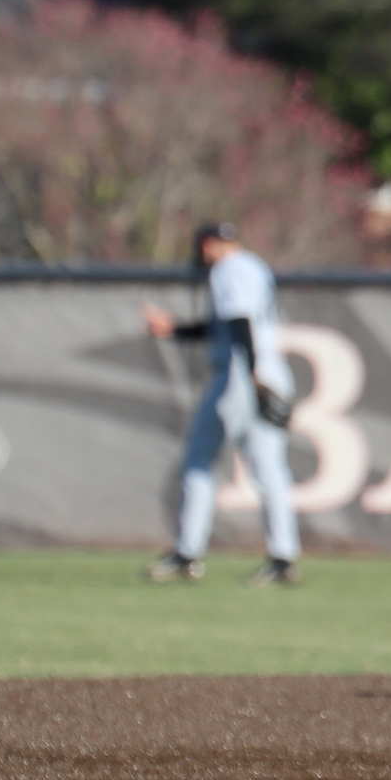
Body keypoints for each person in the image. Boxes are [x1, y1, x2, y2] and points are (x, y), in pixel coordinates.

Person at [141, 222, 300, 587]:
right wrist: (175, 330)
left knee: (199, 459)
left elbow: (239, 320)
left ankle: (187, 553)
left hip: (241, 375)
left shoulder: (229, 269)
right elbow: (223, 325)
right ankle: (283, 557)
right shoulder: (254, 266)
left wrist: (252, 373)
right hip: (266, 371)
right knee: (270, 469)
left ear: (210, 246)